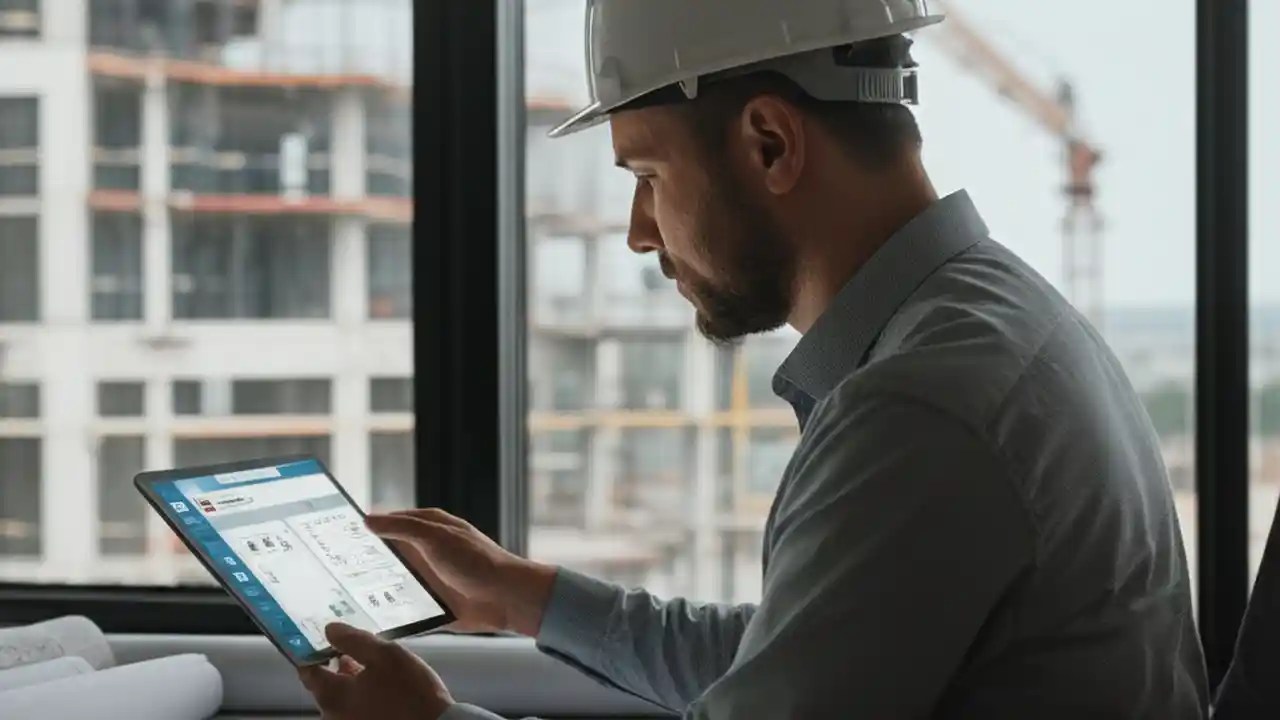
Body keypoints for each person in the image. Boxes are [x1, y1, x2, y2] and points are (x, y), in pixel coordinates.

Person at [298, 0, 1209, 717]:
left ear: (770, 143)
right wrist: (530, 598)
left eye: (648, 177)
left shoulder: (919, 409)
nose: (637, 233)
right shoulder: (997, 319)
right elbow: (801, 655)